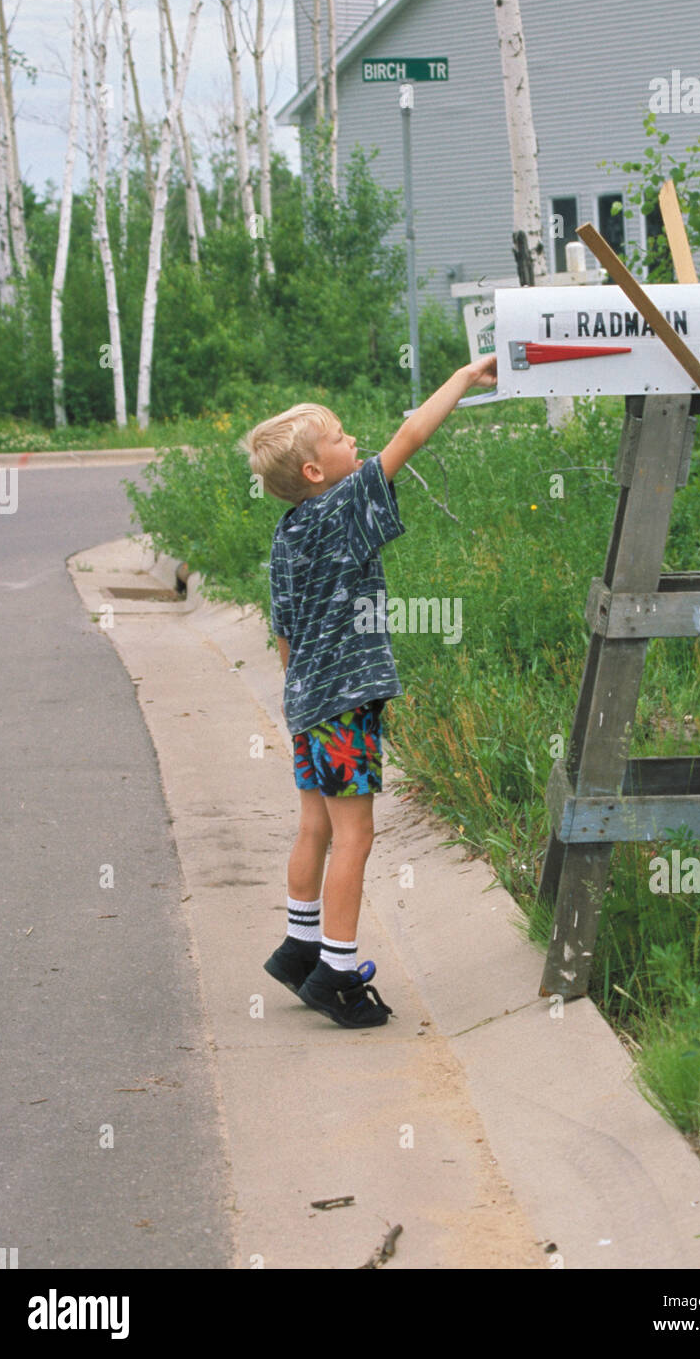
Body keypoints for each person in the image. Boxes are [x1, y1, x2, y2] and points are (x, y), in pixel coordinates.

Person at [240, 354, 497, 1028]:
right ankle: (339, 973)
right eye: (342, 437)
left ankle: (300, 945)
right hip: (346, 703)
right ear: (317, 472)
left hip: (304, 701)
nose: (356, 441)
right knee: (356, 836)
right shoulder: (342, 507)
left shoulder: (288, 533)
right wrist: (466, 376)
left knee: (315, 826)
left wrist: (303, 691)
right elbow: (411, 439)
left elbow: (284, 632)